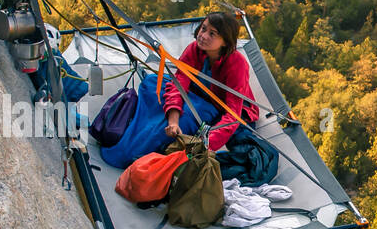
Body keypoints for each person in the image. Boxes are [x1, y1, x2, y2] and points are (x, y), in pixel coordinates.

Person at [98, 12, 260, 169]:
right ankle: (141, 128)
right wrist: (173, 120)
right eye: (203, 29)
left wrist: (204, 145)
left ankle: (137, 153)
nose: (203, 36)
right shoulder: (195, 49)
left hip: (215, 105)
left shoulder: (237, 64)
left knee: (187, 116)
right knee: (151, 83)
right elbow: (179, 82)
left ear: (225, 41)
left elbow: (232, 114)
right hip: (194, 93)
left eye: (212, 34)